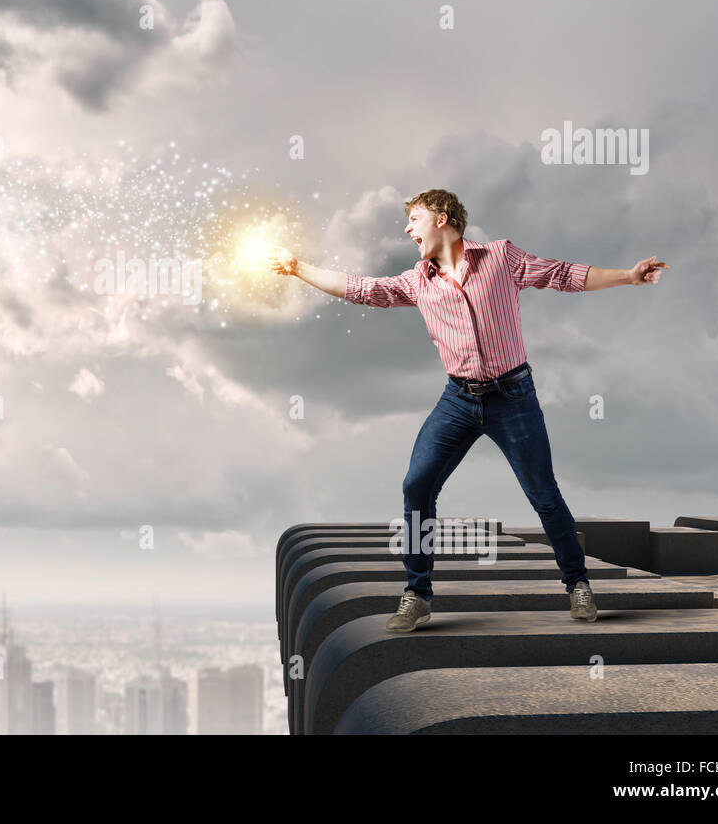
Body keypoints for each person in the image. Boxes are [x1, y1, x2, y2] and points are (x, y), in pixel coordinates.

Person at [267, 189, 666, 631]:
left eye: (414, 219)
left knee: (544, 495)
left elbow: (562, 274)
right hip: (458, 399)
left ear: (441, 218)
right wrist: (298, 268)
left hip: (513, 397)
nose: (407, 229)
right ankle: (417, 594)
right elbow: (363, 290)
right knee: (416, 486)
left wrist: (628, 276)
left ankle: (578, 585)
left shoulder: (500, 258)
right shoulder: (417, 282)